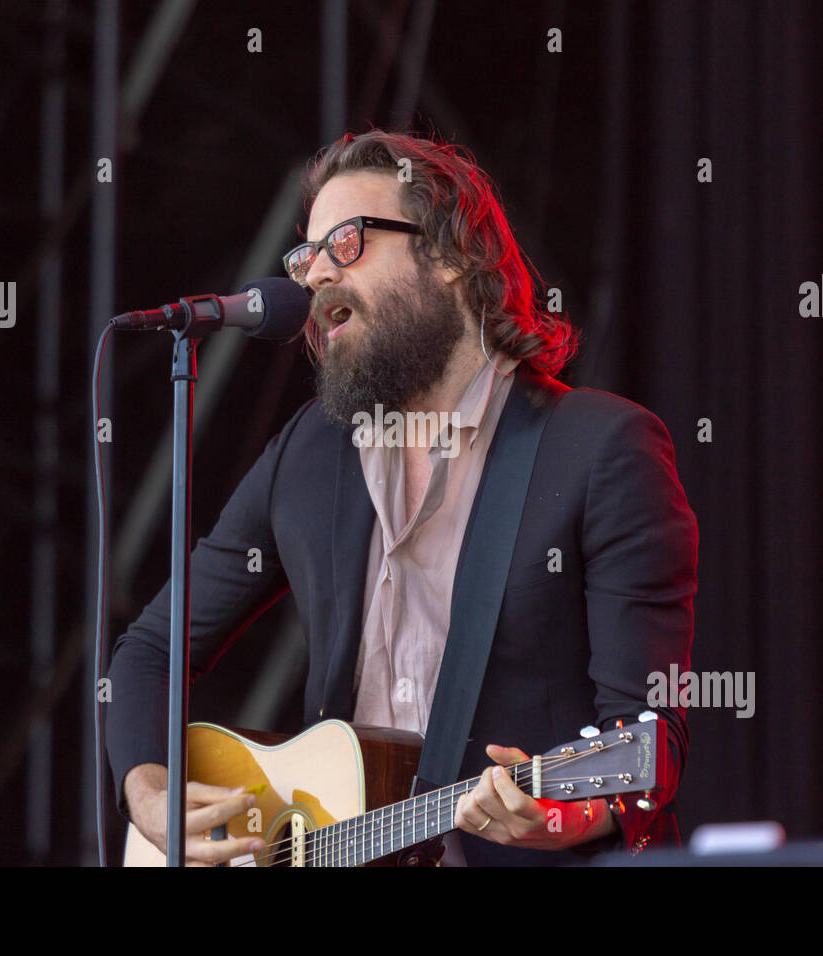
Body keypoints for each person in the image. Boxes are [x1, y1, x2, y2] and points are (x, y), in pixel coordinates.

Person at [105, 128, 698, 867]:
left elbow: (646, 744)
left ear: (451, 256)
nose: (314, 276)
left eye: (346, 242)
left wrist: (565, 818)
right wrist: (151, 796)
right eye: (307, 255)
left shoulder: (599, 449)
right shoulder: (314, 453)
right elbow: (151, 650)